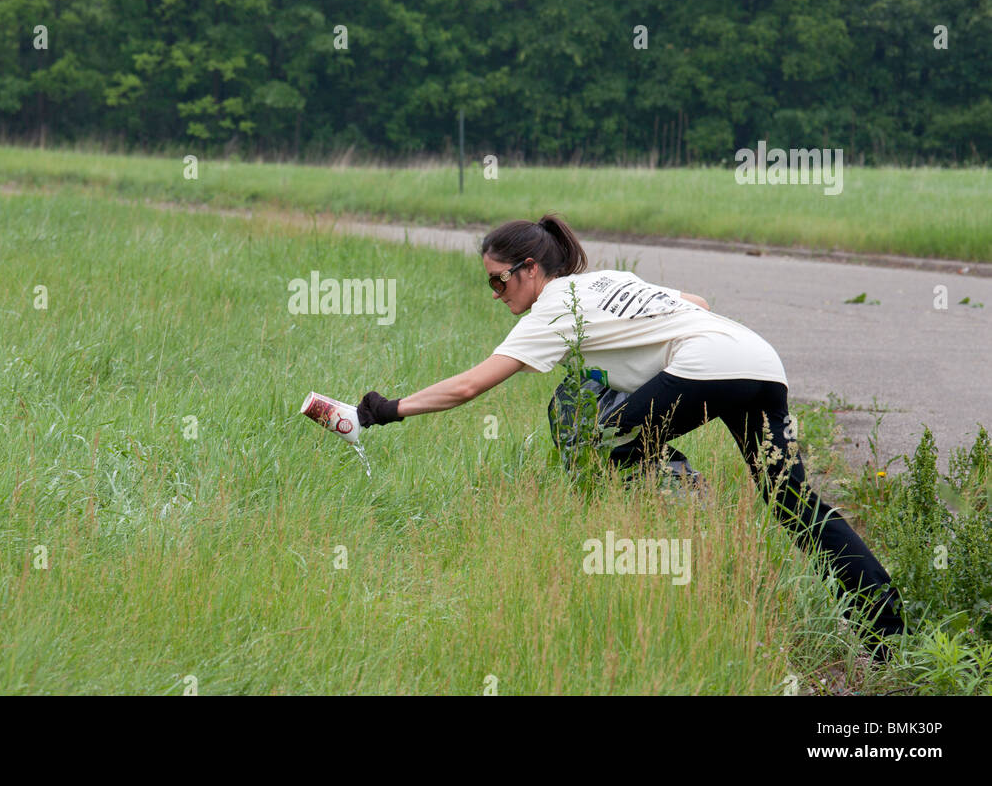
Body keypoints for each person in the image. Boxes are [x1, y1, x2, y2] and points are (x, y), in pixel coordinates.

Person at [356, 214, 905, 659]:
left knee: (588, 432)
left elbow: (470, 386)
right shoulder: (609, 279)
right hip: (759, 361)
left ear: (529, 269)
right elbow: (698, 306)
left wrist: (388, 411)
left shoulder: (553, 308)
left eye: (498, 280)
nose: (495, 293)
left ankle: (690, 503)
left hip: (706, 364)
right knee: (795, 502)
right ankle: (889, 634)